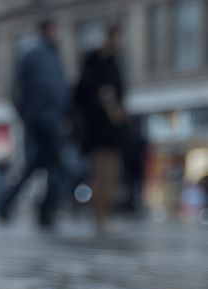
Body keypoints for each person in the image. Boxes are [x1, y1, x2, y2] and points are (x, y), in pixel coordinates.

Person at [0, 19, 70, 228]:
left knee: (37, 166)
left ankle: (8, 206)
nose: (57, 33)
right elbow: (17, 89)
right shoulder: (33, 53)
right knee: (55, 166)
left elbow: (58, 89)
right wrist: (28, 116)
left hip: (51, 118)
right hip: (41, 120)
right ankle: (45, 213)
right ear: (46, 30)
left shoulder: (51, 53)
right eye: (54, 28)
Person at [75, 25, 126, 234]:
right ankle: (99, 215)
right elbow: (82, 94)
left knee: (111, 172)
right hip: (96, 127)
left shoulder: (114, 63)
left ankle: (106, 213)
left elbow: (120, 93)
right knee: (100, 171)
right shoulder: (93, 63)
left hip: (112, 127)